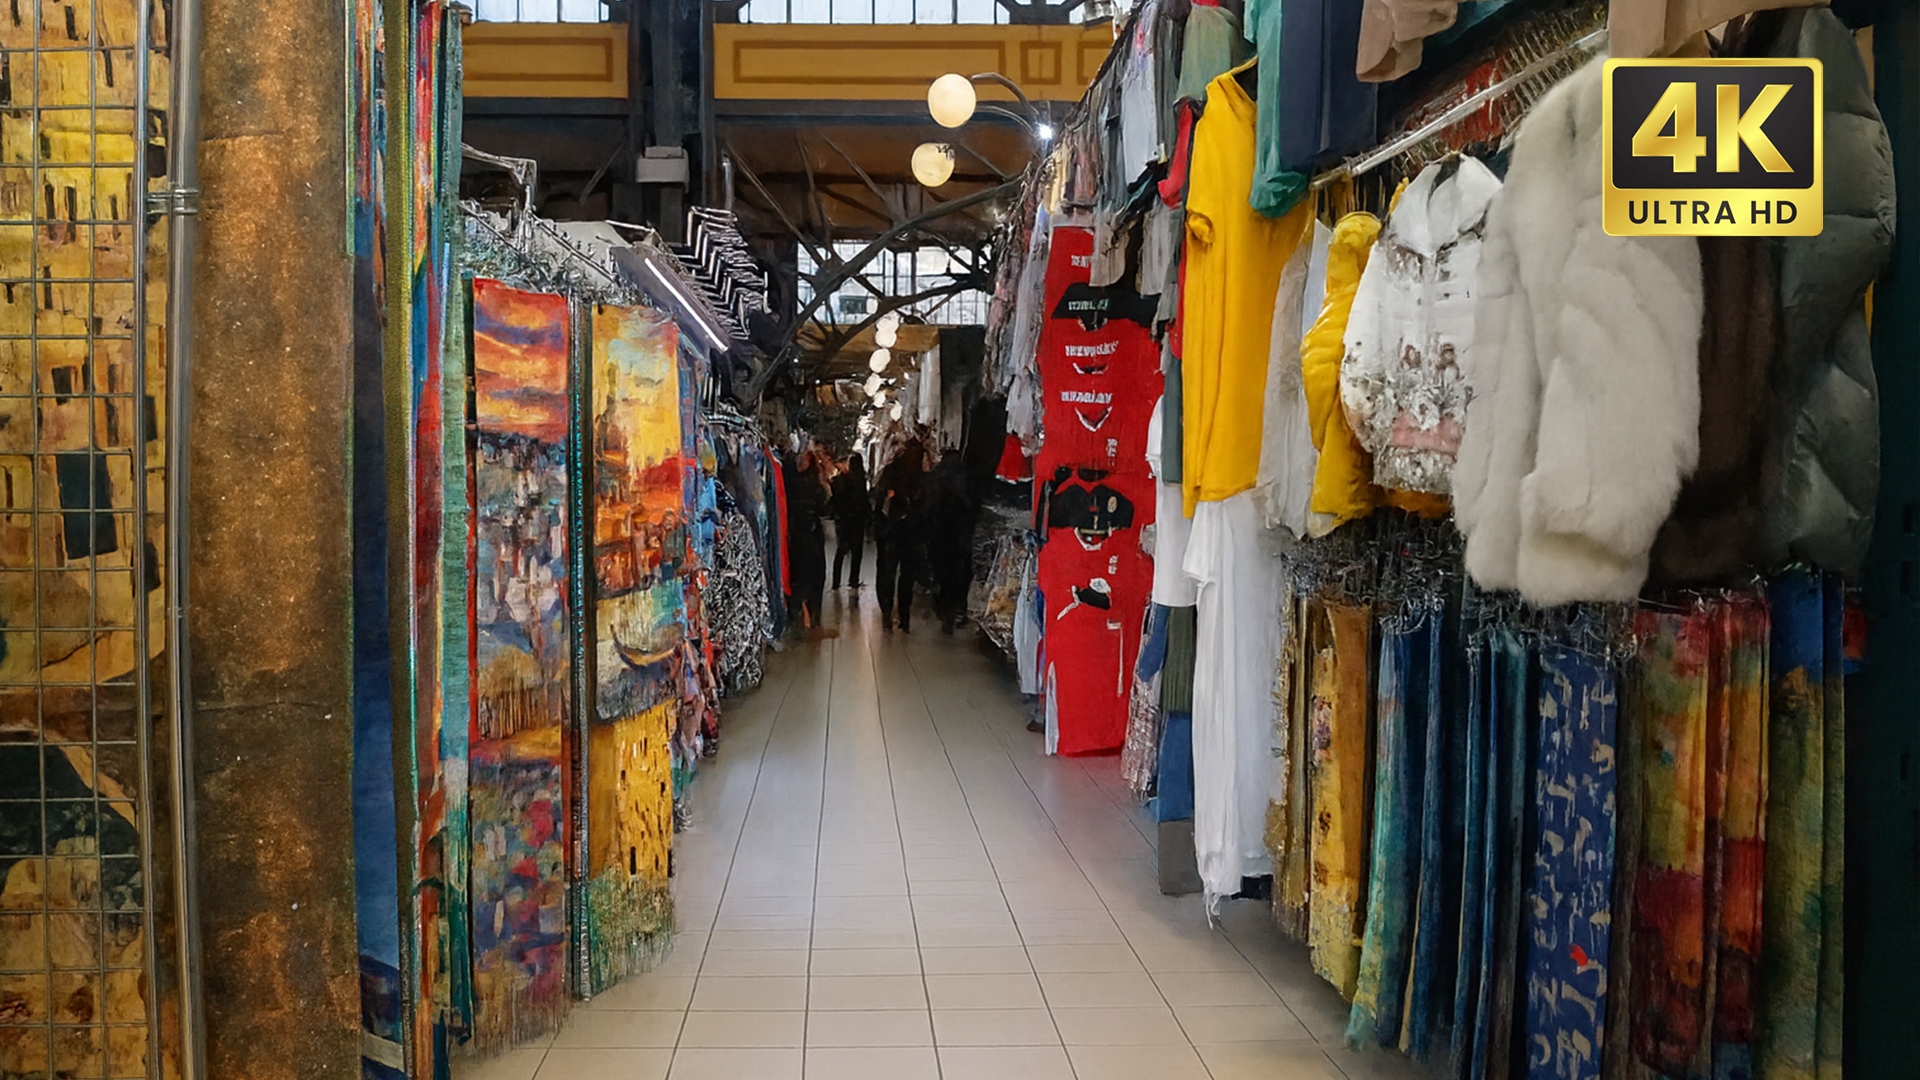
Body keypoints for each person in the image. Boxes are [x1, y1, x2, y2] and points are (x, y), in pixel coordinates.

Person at [871, 439, 926, 632]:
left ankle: (887, 612)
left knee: (888, 573)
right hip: (910, 533)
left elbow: (878, 502)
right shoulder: (920, 476)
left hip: (891, 532)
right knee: (906, 577)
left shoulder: (891, 471)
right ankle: (904, 617)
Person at [923, 452, 977, 634]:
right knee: (955, 580)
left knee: (941, 575)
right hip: (958, 540)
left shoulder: (935, 480)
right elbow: (970, 511)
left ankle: (942, 607)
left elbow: (927, 509)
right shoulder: (964, 483)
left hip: (937, 537)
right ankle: (950, 614)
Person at [783, 441, 829, 632]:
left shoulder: (791, 482)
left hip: (796, 533)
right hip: (811, 533)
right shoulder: (815, 484)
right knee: (814, 576)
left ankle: (800, 614)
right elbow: (825, 508)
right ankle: (813, 615)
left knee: (800, 575)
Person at [830, 452, 869, 589]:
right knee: (856, 552)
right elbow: (865, 503)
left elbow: (835, 501)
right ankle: (853, 580)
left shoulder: (840, 480)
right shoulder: (861, 482)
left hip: (844, 520)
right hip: (857, 521)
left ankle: (836, 581)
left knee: (841, 551)